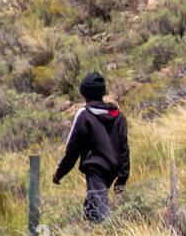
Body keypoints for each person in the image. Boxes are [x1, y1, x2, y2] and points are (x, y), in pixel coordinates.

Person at [53, 72, 130, 223]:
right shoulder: (118, 115)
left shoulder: (84, 114)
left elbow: (72, 150)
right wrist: (122, 177)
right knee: (91, 208)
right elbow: (124, 149)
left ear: (84, 93)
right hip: (114, 168)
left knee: (102, 213)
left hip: (96, 169)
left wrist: (59, 173)